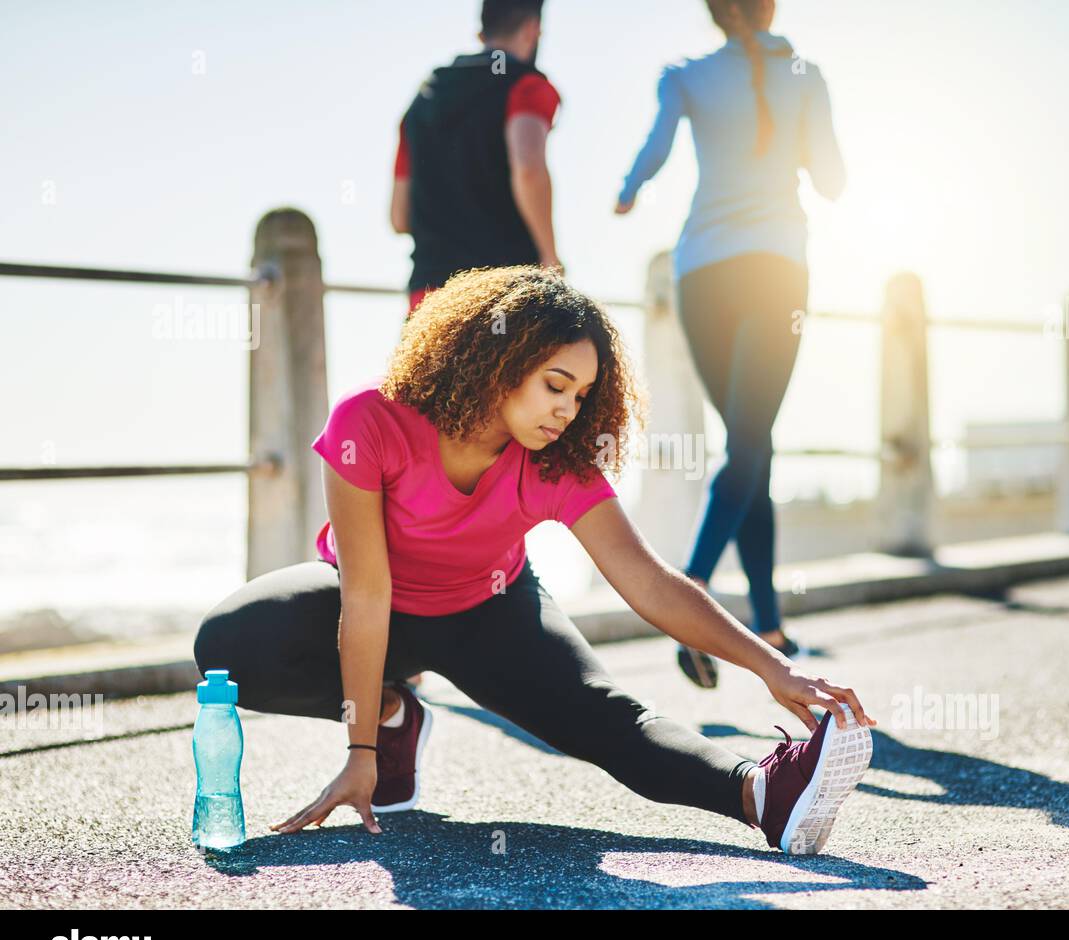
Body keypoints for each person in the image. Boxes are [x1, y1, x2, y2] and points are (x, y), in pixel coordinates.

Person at [192, 266, 874, 856]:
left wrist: (771, 665)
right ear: (501, 360)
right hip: (378, 606)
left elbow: (649, 581)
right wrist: (361, 748)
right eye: (555, 384)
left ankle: (766, 794)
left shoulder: (557, 462)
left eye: (581, 395)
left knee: (609, 721)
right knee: (225, 647)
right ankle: (396, 715)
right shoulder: (368, 422)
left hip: (492, 612)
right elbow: (366, 596)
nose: (568, 411)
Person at [615, 0, 845, 689]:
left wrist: (626, 190)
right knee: (749, 445)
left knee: (751, 444)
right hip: (775, 270)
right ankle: (690, 591)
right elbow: (834, 181)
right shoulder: (806, 73)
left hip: (701, 274)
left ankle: (769, 624)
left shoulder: (684, 75)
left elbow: (651, 155)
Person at [390, 0, 563, 316]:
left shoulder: (423, 101)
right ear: (532, 30)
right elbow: (528, 168)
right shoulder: (527, 86)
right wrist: (550, 257)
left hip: (429, 299)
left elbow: (399, 218)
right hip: (506, 294)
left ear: (481, 33)